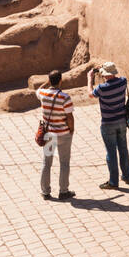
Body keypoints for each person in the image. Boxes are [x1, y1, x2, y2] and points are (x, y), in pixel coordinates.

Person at [90, 62, 129, 190]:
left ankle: (113, 181)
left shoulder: (102, 88)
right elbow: (120, 79)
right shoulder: (123, 82)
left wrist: (89, 79)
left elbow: (90, 94)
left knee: (111, 153)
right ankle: (126, 175)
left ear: (104, 74)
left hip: (108, 124)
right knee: (123, 149)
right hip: (121, 121)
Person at [38, 70, 74, 201]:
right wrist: (72, 129)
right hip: (63, 135)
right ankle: (63, 191)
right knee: (64, 163)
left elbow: (39, 89)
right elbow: (69, 116)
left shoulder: (43, 94)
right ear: (60, 81)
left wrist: (47, 82)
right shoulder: (65, 97)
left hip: (49, 136)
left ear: (49, 81)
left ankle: (45, 191)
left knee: (46, 163)